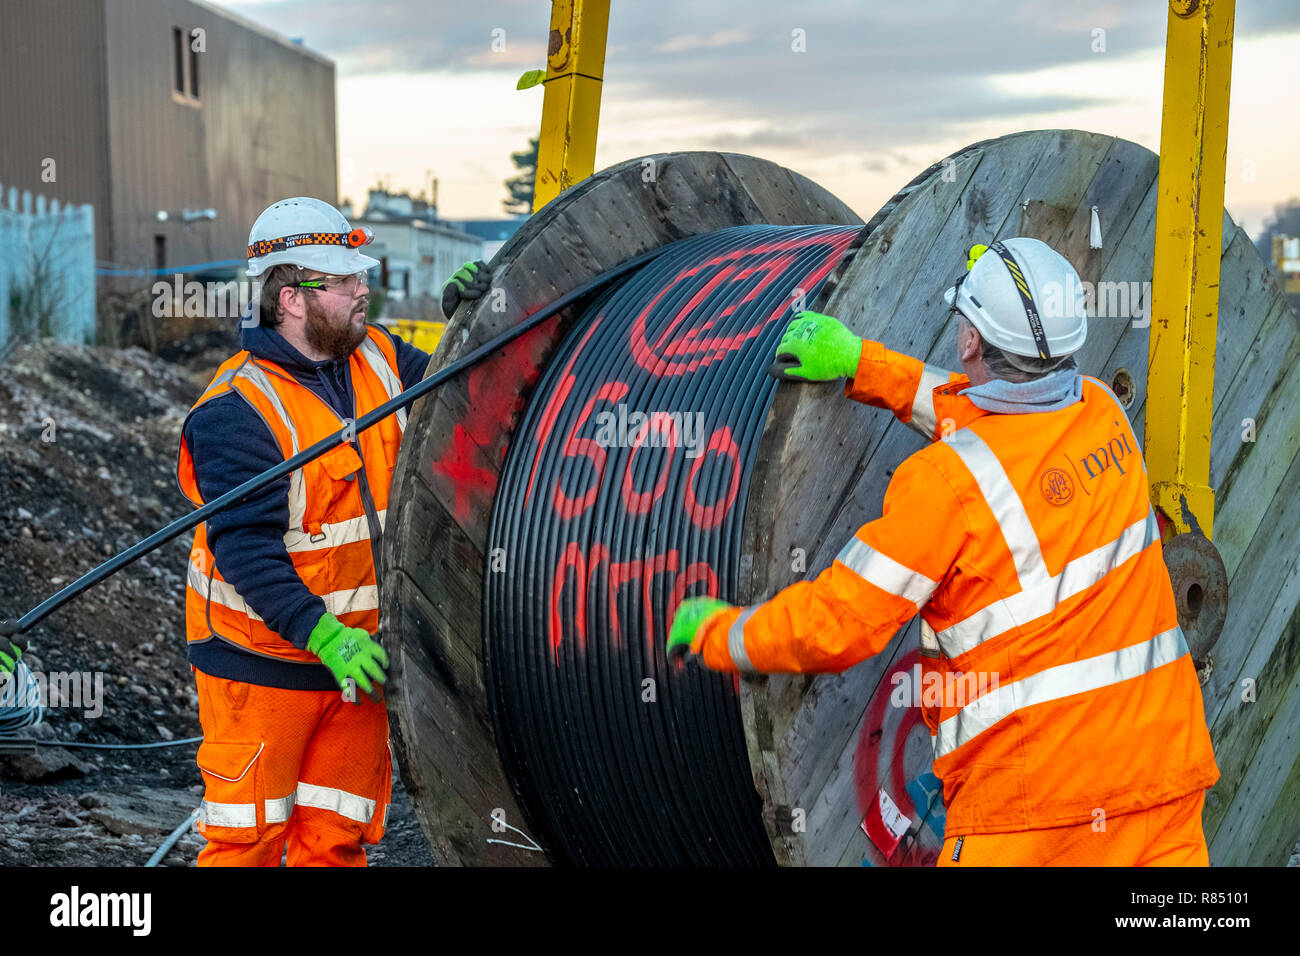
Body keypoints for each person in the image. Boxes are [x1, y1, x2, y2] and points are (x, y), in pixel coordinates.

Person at [668, 238, 1220, 866]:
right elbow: (988, 417)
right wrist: (862, 365)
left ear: (970, 344)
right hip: (1161, 787)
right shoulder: (1105, 416)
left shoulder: (945, 489)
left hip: (1027, 818)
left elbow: (837, 623)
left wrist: (727, 636)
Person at [176, 196, 489, 865]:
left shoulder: (376, 355)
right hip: (265, 663)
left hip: (358, 661)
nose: (362, 288)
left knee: (335, 842)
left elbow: (462, 386)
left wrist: (476, 319)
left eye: (359, 276)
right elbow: (245, 552)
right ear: (292, 297)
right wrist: (325, 637)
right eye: (344, 281)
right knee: (247, 843)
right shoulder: (236, 411)